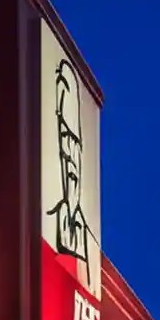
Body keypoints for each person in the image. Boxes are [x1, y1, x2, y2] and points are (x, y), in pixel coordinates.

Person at [45, 58, 97, 291]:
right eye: (64, 137)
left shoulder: (88, 242)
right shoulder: (46, 221)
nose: (69, 155)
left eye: (74, 140)